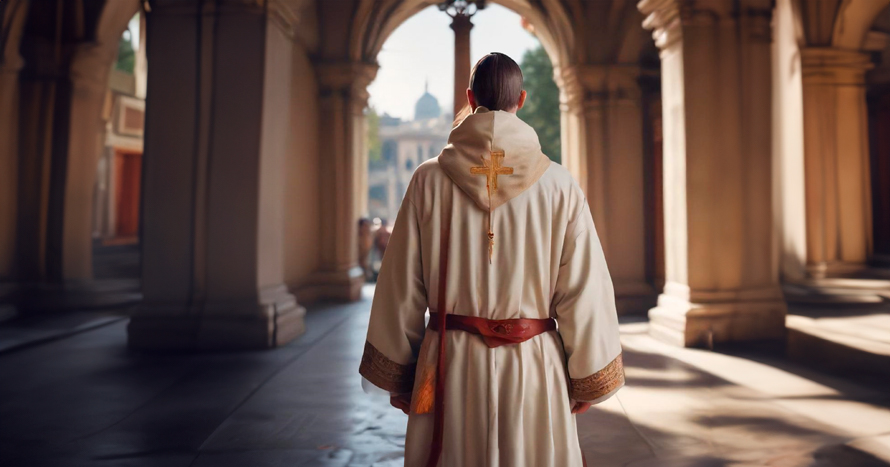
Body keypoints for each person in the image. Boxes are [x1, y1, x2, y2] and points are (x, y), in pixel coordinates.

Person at [359, 52, 624, 467]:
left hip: (448, 366)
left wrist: (399, 374)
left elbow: (400, 285)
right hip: (535, 367)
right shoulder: (559, 185)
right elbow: (583, 289)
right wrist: (587, 376)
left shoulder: (427, 180)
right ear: (522, 99)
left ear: (470, 98)